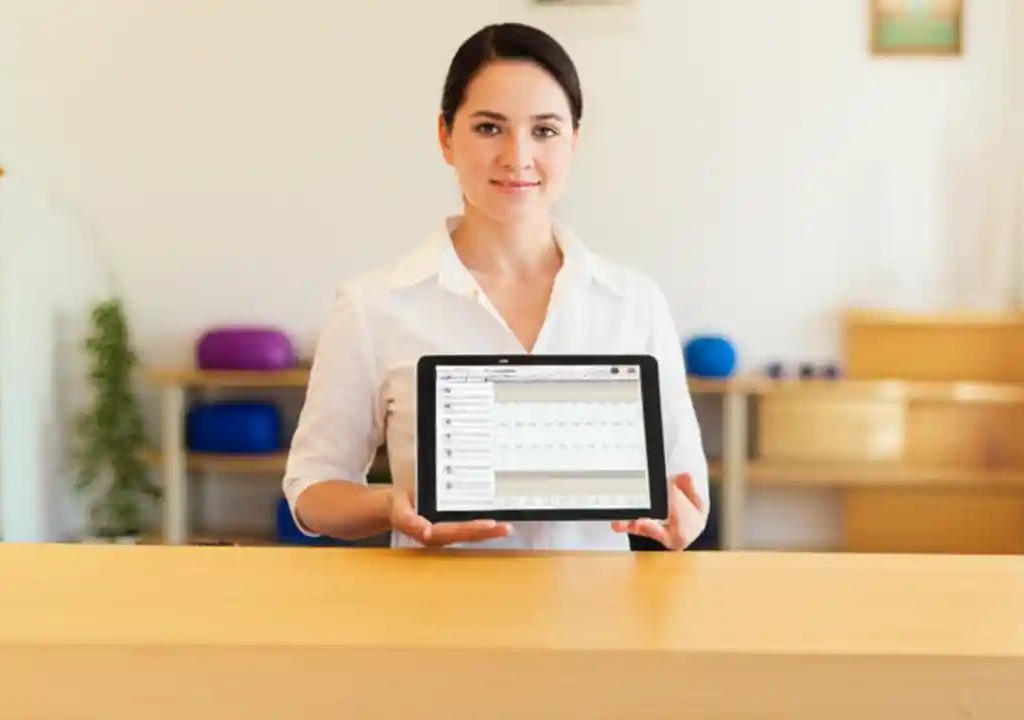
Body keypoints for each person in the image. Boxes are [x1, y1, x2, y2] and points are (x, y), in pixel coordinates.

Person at [282, 23, 709, 551]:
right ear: (445, 136)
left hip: (597, 623)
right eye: (489, 128)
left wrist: (684, 519)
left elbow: (687, 483)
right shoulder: (374, 305)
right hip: (441, 623)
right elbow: (311, 490)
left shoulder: (634, 302)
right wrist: (386, 504)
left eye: (544, 130)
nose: (517, 155)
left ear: (575, 140)